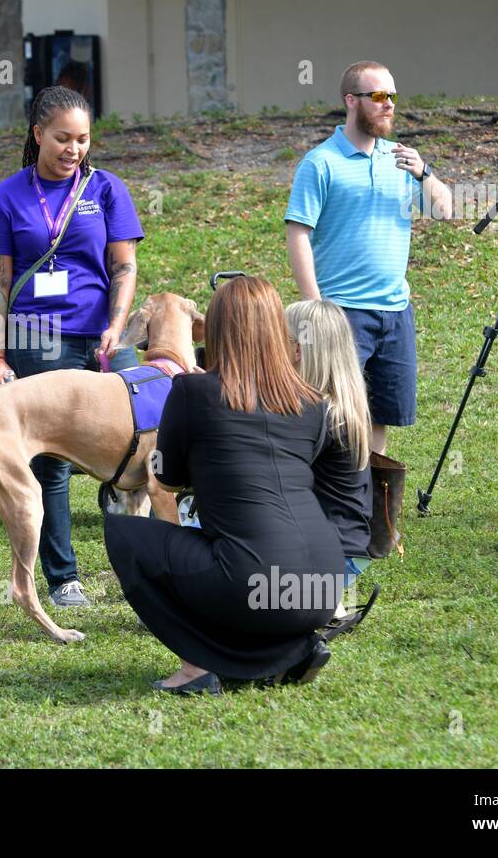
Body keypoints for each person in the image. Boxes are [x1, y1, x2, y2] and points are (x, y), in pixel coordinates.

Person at [104, 276, 343, 694]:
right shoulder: (312, 402)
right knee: (246, 565)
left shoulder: (192, 391)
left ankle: (196, 667)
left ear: (214, 330)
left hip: (251, 579)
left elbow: (171, 478)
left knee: (126, 534)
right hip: (325, 583)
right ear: (277, 331)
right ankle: (296, 648)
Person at [0, 85, 143, 609]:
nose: (74, 149)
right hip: (38, 339)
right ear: (38, 134)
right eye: (63, 138)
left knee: (141, 442)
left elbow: (124, 266)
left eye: (83, 139)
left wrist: (117, 326)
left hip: (105, 336)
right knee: (51, 460)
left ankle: (139, 558)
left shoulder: (106, 189)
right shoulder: (7, 196)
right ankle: (63, 577)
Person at [285, 60, 453, 456]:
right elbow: (298, 234)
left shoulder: (401, 160)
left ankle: (374, 510)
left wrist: (425, 172)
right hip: (342, 312)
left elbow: (445, 211)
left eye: (392, 95)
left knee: (379, 416)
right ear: (351, 100)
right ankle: (327, 501)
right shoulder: (320, 163)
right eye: (378, 95)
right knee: (332, 410)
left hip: (395, 312)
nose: (389, 104)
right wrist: (315, 305)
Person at [286, 299, 373, 602]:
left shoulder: (315, 415)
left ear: (297, 350)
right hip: (351, 552)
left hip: (327, 562)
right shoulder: (344, 409)